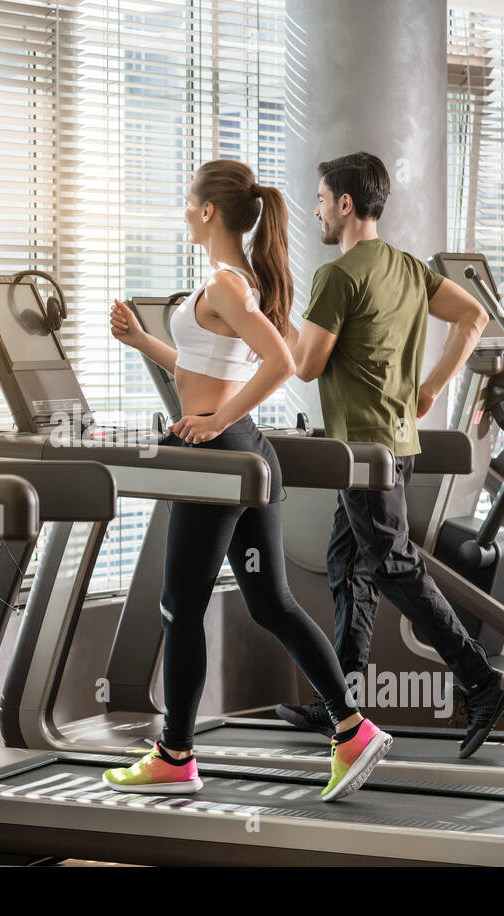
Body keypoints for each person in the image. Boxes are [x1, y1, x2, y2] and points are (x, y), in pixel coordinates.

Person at [103, 159, 391, 802]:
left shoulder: (229, 285)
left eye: (187, 203)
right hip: (244, 452)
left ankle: (175, 757)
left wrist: (211, 422)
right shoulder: (237, 283)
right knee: (271, 604)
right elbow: (207, 365)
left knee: (180, 607)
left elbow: (280, 361)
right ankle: (350, 729)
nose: (183, 213)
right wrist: (143, 342)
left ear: (208, 212)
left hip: (221, 457)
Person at [274, 151, 504, 758]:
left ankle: (483, 684)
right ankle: (342, 705)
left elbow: (304, 364)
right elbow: (474, 316)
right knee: (347, 565)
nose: (317, 209)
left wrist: (261, 322)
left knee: (392, 567)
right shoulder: (407, 268)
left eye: (323, 199)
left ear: (347, 205)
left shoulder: (339, 277)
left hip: (363, 451)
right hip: (394, 446)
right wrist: (431, 388)